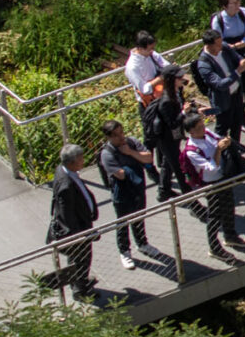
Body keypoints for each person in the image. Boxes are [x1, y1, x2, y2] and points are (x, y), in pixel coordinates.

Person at [178, 110, 242, 259]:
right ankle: (214, 248)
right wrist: (219, 149)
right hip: (211, 184)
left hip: (222, 177)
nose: (203, 129)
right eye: (199, 128)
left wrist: (225, 142)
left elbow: (218, 140)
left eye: (203, 125)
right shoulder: (191, 151)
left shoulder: (207, 133)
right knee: (214, 215)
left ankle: (231, 236)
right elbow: (211, 167)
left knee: (229, 206)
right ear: (191, 132)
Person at [98, 119, 155, 267]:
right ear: (109, 137)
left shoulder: (132, 143)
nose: (121, 137)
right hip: (121, 193)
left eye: (121, 132)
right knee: (122, 223)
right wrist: (135, 161)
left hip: (138, 187)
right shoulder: (106, 154)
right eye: (116, 135)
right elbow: (120, 174)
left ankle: (142, 243)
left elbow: (148, 158)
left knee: (139, 217)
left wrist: (130, 152)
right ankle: (124, 252)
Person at [210, 0, 245, 140]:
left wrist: (239, 45)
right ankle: (242, 121)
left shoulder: (244, 13)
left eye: (238, 1)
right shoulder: (218, 20)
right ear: (224, 6)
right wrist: (233, 48)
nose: (238, 5)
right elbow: (219, 42)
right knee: (237, 91)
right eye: (233, 3)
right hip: (229, 57)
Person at [49, 144, 98, 293]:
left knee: (78, 258)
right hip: (78, 230)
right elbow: (67, 215)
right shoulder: (66, 185)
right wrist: (79, 236)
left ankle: (79, 282)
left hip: (82, 224)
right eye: (81, 158)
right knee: (82, 258)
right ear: (71, 162)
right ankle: (80, 289)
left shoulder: (64, 170)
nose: (84, 160)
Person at [144, 66, 190, 203]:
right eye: (179, 78)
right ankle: (191, 201)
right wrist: (184, 113)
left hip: (174, 137)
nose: (182, 79)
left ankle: (163, 191)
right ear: (171, 80)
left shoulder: (176, 92)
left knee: (167, 164)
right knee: (179, 169)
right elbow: (172, 123)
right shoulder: (166, 101)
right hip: (166, 139)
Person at [193, 28, 245, 141]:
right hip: (222, 100)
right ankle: (221, 150)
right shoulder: (204, 64)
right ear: (209, 45)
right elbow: (220, 84)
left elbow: (237, 58)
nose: (221, 46)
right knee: (222, 128)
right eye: (217, 45)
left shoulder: (224, 47)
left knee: (237, 124)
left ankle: (236, 149)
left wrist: (243, 61)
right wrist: (238, 71)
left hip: (236, 93)